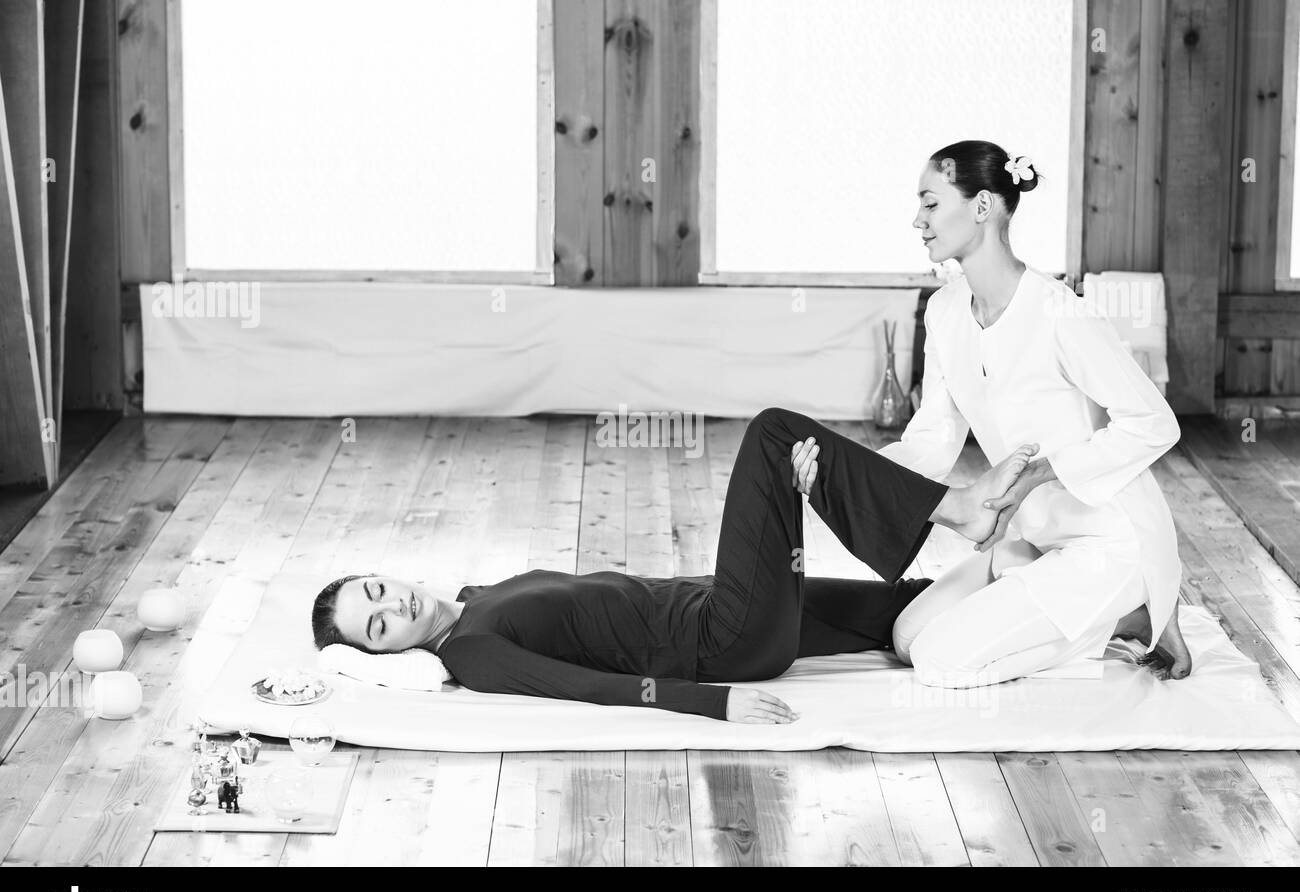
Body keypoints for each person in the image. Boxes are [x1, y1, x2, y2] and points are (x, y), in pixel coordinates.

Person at [312, 406, 1042, 723]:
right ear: (387, 654)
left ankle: (1091, 604)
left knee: (901, 611)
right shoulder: (472, 654)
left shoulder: (477, 597)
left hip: (719, 602)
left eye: (376, 592)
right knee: (774, 437)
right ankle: (961, 508)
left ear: (388, 573)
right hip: (726, 638)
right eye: (376, 628)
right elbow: (589, 688)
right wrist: (716, 704)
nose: (393, 608)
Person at [884, 139, 1192, 689]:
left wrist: (1042, 471)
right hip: (1035, 541)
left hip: (1109, 542)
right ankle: (1115, 620)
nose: (917, 220)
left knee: (940, 659)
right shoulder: (944, 311)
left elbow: (1155, 423)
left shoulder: (1059, 314)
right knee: (908, 640)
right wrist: (851, 468)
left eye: (930, 203)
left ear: (981, 207)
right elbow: (931, 440)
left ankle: (1134, 607)